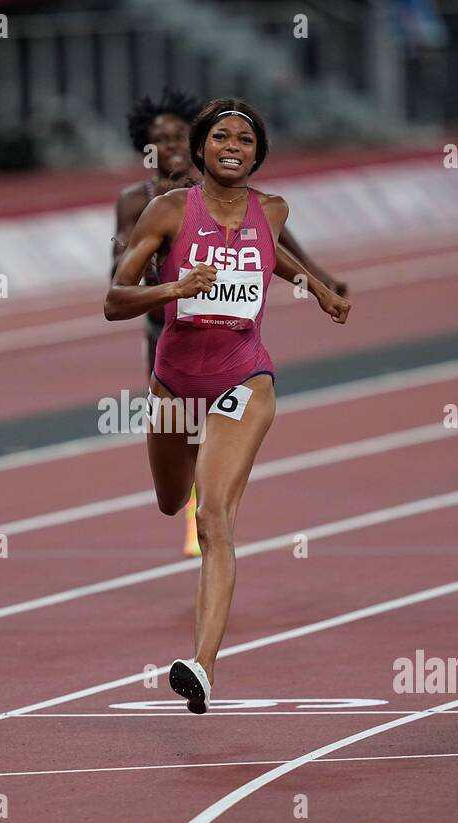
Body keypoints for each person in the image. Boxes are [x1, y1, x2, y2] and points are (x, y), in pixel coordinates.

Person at [105, 98, 351, 713]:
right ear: (201, 149)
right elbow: (114, 298)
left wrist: (316, 286)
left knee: (214, 520)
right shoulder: (163, 211)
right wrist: (174, 288)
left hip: (245, 376)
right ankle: (191, 470)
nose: (233, 145)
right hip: (173, 381)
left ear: (258, 153)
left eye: (245, 137)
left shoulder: (272, 209)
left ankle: (202, 666)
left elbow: (271, 253)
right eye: (221, 136)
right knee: (171, 501)